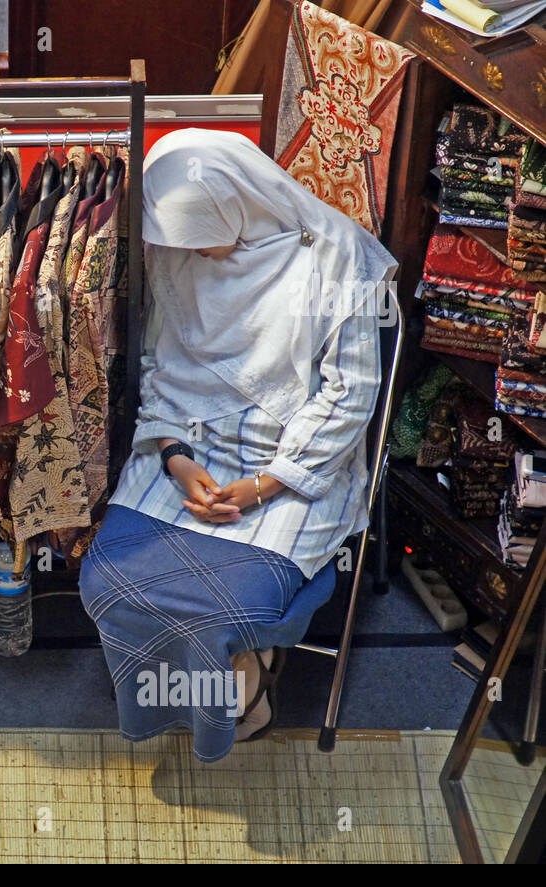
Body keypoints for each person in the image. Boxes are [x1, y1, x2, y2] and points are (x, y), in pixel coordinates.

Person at [79, 128, 396, 761]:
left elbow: (351, 395)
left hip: (300, 454)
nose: (191, 258)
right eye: (179, 244)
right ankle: (229, 683)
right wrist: (173, 455)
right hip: (191, 436)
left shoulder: (338, 259)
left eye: (200, 239)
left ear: (236, 201)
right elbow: (160, 364)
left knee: (229, 607)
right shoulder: (175, 248)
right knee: (109, 579)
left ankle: (243, 694)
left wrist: (265, 484)